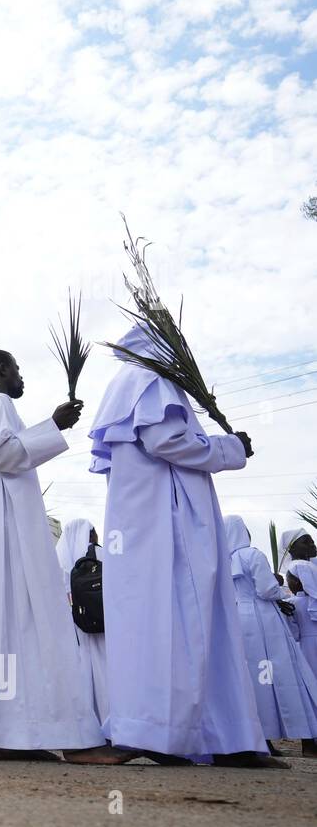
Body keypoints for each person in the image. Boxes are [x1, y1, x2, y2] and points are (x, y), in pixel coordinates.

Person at [89, 324, 279, 767]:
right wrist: (230, 448)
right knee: (194, 624)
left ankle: (170, 734)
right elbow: (167, 441)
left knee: (154, 627)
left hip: (144, 528)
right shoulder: (151, 380)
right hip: (171, 525)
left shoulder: (125, 384)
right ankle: (212, 737)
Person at [0, 349, 129, 763]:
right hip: (10, 541)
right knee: (37, 630)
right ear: (1, 370)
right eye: (17, 367)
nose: (20, 376)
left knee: (14, 637)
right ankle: (75, 741)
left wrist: (47, 428)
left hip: (3, 539)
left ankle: (14, 738)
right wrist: (54, 425)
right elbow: (5, 454)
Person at [223, 516, 317, 757]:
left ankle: (262, 740)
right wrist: (278, 589)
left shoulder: (225, 559)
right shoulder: (252, 554)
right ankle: (308, 741)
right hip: (264, 618)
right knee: (288, 674)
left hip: (238, 618)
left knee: (255, 680)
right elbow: (266, 590)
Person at [56, 517, 107, 723]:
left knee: (80, 674)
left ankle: (85, 725)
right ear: (91, 534)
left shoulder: (58, 561)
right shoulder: (101, 555)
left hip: (73, 630)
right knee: (105, 674)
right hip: (102, 627)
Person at [287, 563, 317, 702]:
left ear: (297, 582)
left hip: (306, 647)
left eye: (288, 581)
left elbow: (294, 633)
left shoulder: (291, 603)